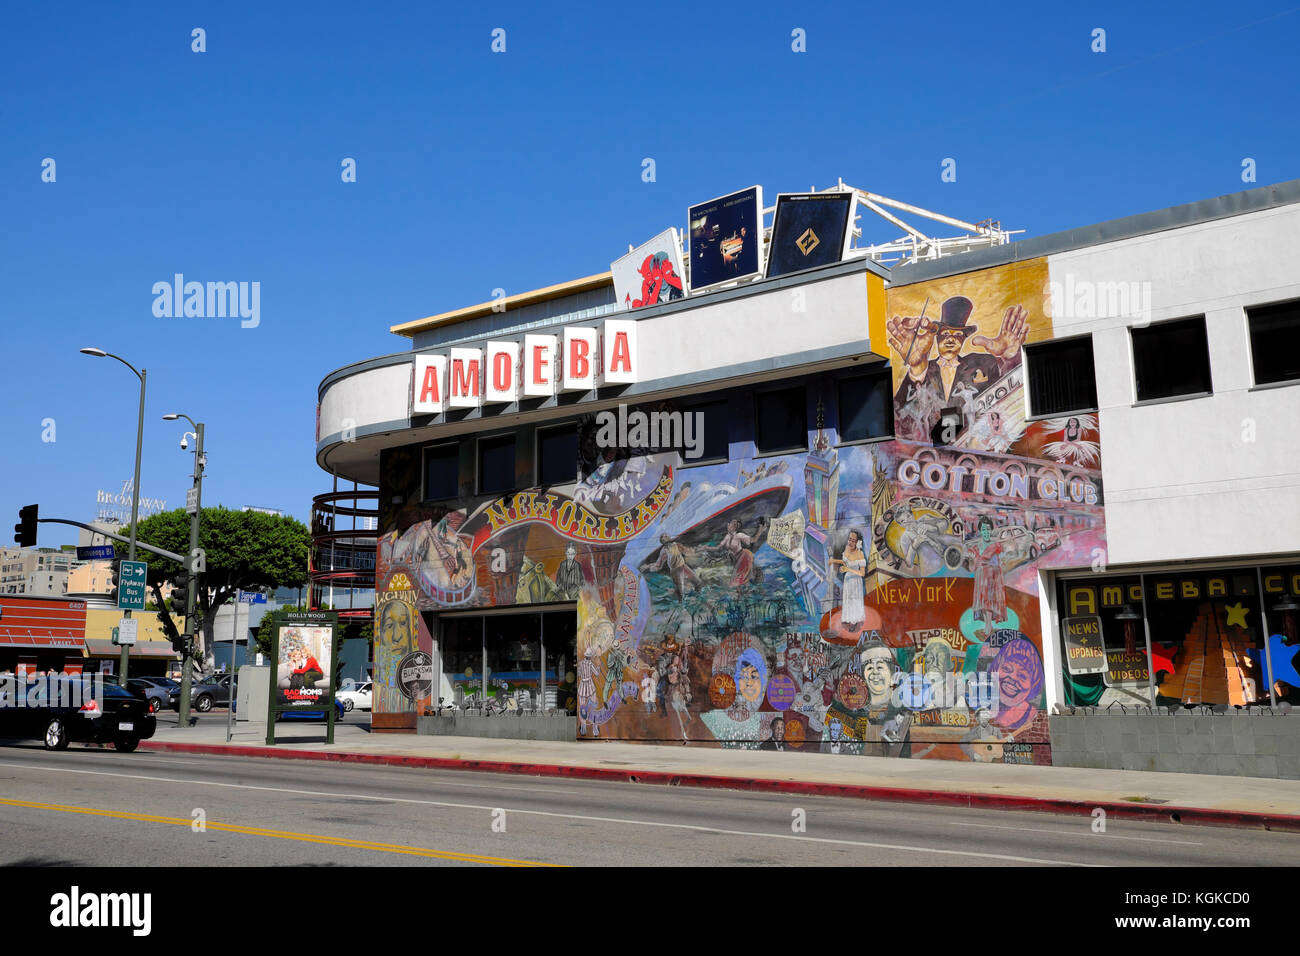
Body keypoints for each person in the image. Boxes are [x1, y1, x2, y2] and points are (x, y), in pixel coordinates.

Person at [888, 297, 1028, 440]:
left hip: (973, 449)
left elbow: (1008, 401)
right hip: (929, 455)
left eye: (958, 335)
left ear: (963, 340)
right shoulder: (923, 369)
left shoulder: (983, 363)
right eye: (946, 333)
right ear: (936, 338)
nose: (951, 339)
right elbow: (899, 417)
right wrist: (916, 370)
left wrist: (1010, 359)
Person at [966, 516, 1008, 641]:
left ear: (991, 530)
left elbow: (1001, 561)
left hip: (992, 577)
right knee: (984, 605)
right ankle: (987, 627)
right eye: (983, 529)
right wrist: (971, 559)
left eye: (988, 529)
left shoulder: (996, 546)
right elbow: (972, 568)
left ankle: (988, 628)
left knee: (988, 603)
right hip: (980, 577)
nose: (986, 532)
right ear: (980, 531)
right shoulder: (976, 547)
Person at [641, 534, 701, 600]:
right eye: (662, 537)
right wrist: (647, 566)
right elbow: (658, 564)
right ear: (661, 541)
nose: (664, 538)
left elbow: (686, 551)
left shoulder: (676, 545)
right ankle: (681, 605)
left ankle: (699, 596)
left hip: (683, 567)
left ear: (669, 537)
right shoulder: (664, 551)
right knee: (681, 592)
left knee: (698, 582)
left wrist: (698, 550)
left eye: (665, 536)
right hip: (676, 571)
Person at [830, 529, 867, 631]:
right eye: (849, 539)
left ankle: (854, 622)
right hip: (848, 580)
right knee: (848, 600)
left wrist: (848, 569)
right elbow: (845, 561)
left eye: (853, 541)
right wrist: (834, 561)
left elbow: (862, 573)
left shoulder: (860, 554)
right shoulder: (846, 549)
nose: (850, 542)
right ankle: (848, 618)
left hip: (856, 581)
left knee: (854, 600)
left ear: (858, 542)